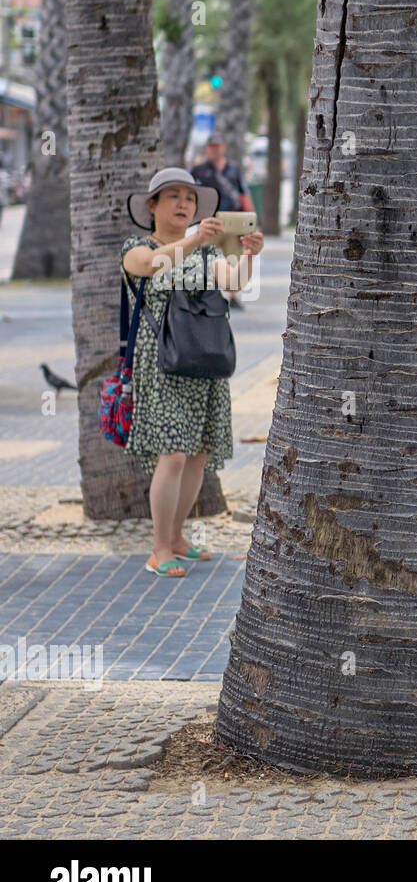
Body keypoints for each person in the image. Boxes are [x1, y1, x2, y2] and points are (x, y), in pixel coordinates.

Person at [122, 168, 264, 578]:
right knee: (174, 454)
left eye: (189, 198)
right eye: (173, 197)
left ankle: (179, 537)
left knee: (198, 455)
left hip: (205, 358)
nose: (183, 204)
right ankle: (160, 548)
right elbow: (151, 265)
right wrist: (196, 238)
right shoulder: (136, 248)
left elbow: (234, 282)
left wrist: (249, 255)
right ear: (152, 206)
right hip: (163, 362)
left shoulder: (206, 252)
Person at [190, 133, 253, 309]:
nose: (213, 150)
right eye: (211, 147)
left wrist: (251, 220)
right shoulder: (198, 171)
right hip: (210, 221)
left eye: (216, 147)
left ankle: (233, 296)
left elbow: (243, 195)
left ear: (222, 148)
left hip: (232, 222)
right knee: (204, 256)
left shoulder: (233, 169)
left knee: (234, 257)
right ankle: (206, 293)